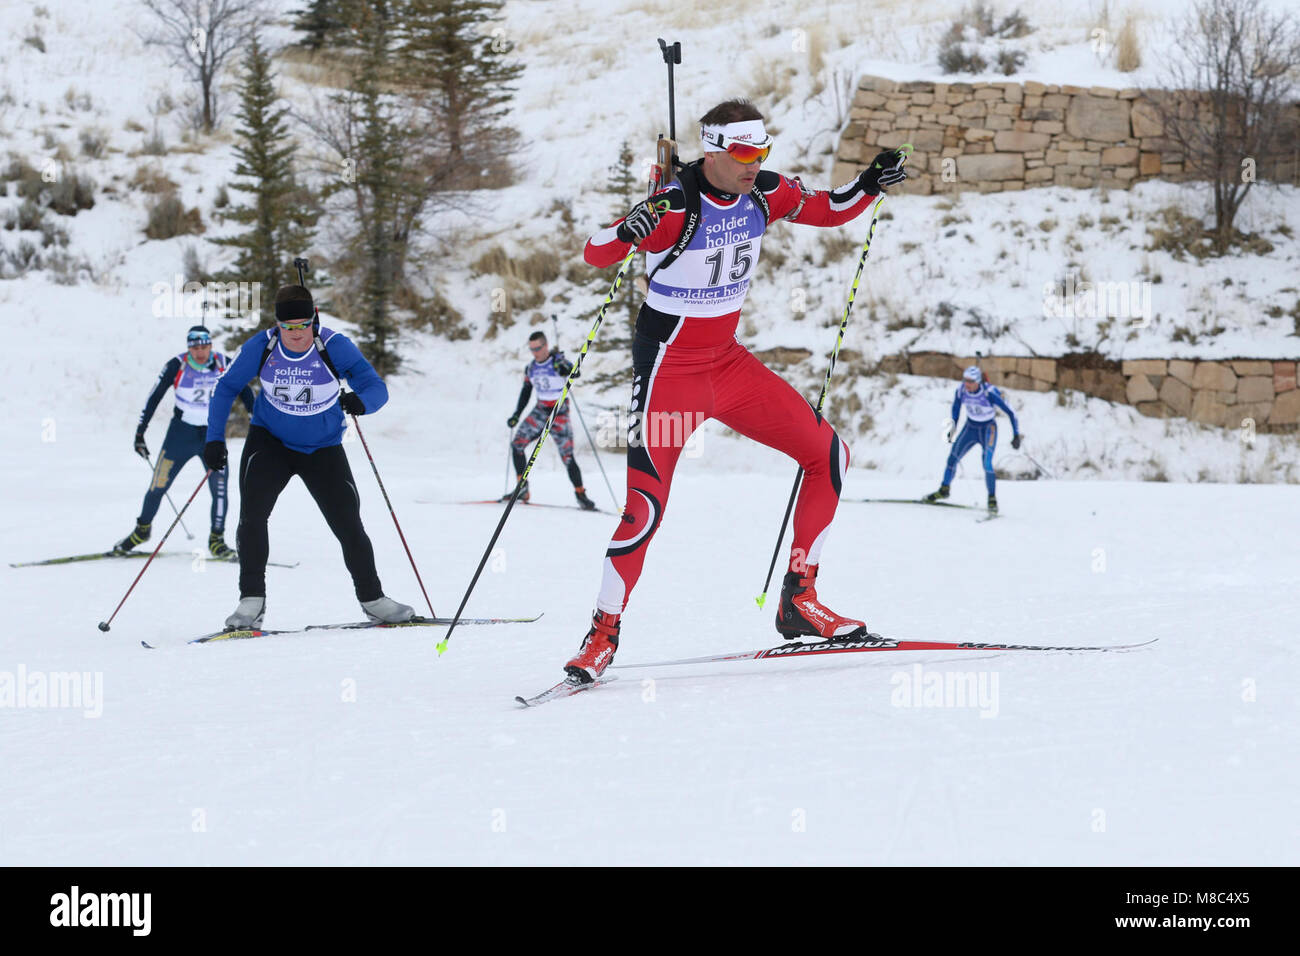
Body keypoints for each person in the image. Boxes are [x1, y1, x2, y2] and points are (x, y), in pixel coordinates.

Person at [562, 98, 909, 683]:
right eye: (745, 153)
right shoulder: (675, 205)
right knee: (644, 509)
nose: (755, 164)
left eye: (762, 151)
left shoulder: (764, 193)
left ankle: (800, 598)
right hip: (670, 376)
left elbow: (827, 210)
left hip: (728, 366)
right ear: (715, 150)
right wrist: (631, 229)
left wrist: (870, 183)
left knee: (828, 455)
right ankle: (602, 633)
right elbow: (597, 251)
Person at [203, 285, 414, 628]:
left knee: (348, 524)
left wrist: (363, 402)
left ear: (314, 319)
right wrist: (214, 439)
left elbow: (376, 387)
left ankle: (373, 599)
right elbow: (226, 387)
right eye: (288, 327)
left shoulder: (334, 346)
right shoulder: (263, 345)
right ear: (278, 324)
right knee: (252, 517)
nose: (296, 334)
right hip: (269, 442)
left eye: (303, 325)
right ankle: (251, 602)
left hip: (323, 447)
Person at [113, 325, 254, 559]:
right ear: (189, 348)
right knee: (158, 485)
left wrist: (254, 418)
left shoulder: (223, 363)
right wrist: (140, 432)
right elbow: (155, 396)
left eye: (205, 346)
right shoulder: (177, 365)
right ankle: (141, 531)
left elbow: (246, 391)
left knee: (219, 489)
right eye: (195, 348)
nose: (200, 352)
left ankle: (217, 540)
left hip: (213, 435)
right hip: (180, 434)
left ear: (211, 345)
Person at [505, 331, 596, 510]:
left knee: (567, 456)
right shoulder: (531, 368)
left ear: (545, 346)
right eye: (531, 349)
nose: (535, 353)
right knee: (517, 445)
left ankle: (581, 494)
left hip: (559, 411)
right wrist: (517, 414)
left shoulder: (557, 361)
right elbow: (526, 392)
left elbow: (575, 372)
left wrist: (565, 368)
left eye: (538, 348)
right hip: (540, 410)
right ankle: (522, 488)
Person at [923, 365, 1022, 513]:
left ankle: (992, 498)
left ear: (977, 382)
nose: (966, 384)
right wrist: (953, 427)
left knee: (987, 463)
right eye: (965, 380)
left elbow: (1011, 412)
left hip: (988, 429)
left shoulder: (990, 392)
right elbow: (956, 409)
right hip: (970, 428)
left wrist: (1016, 435)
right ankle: (944, 489)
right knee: (952, 458)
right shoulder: (961, 391)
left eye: (970, 381)